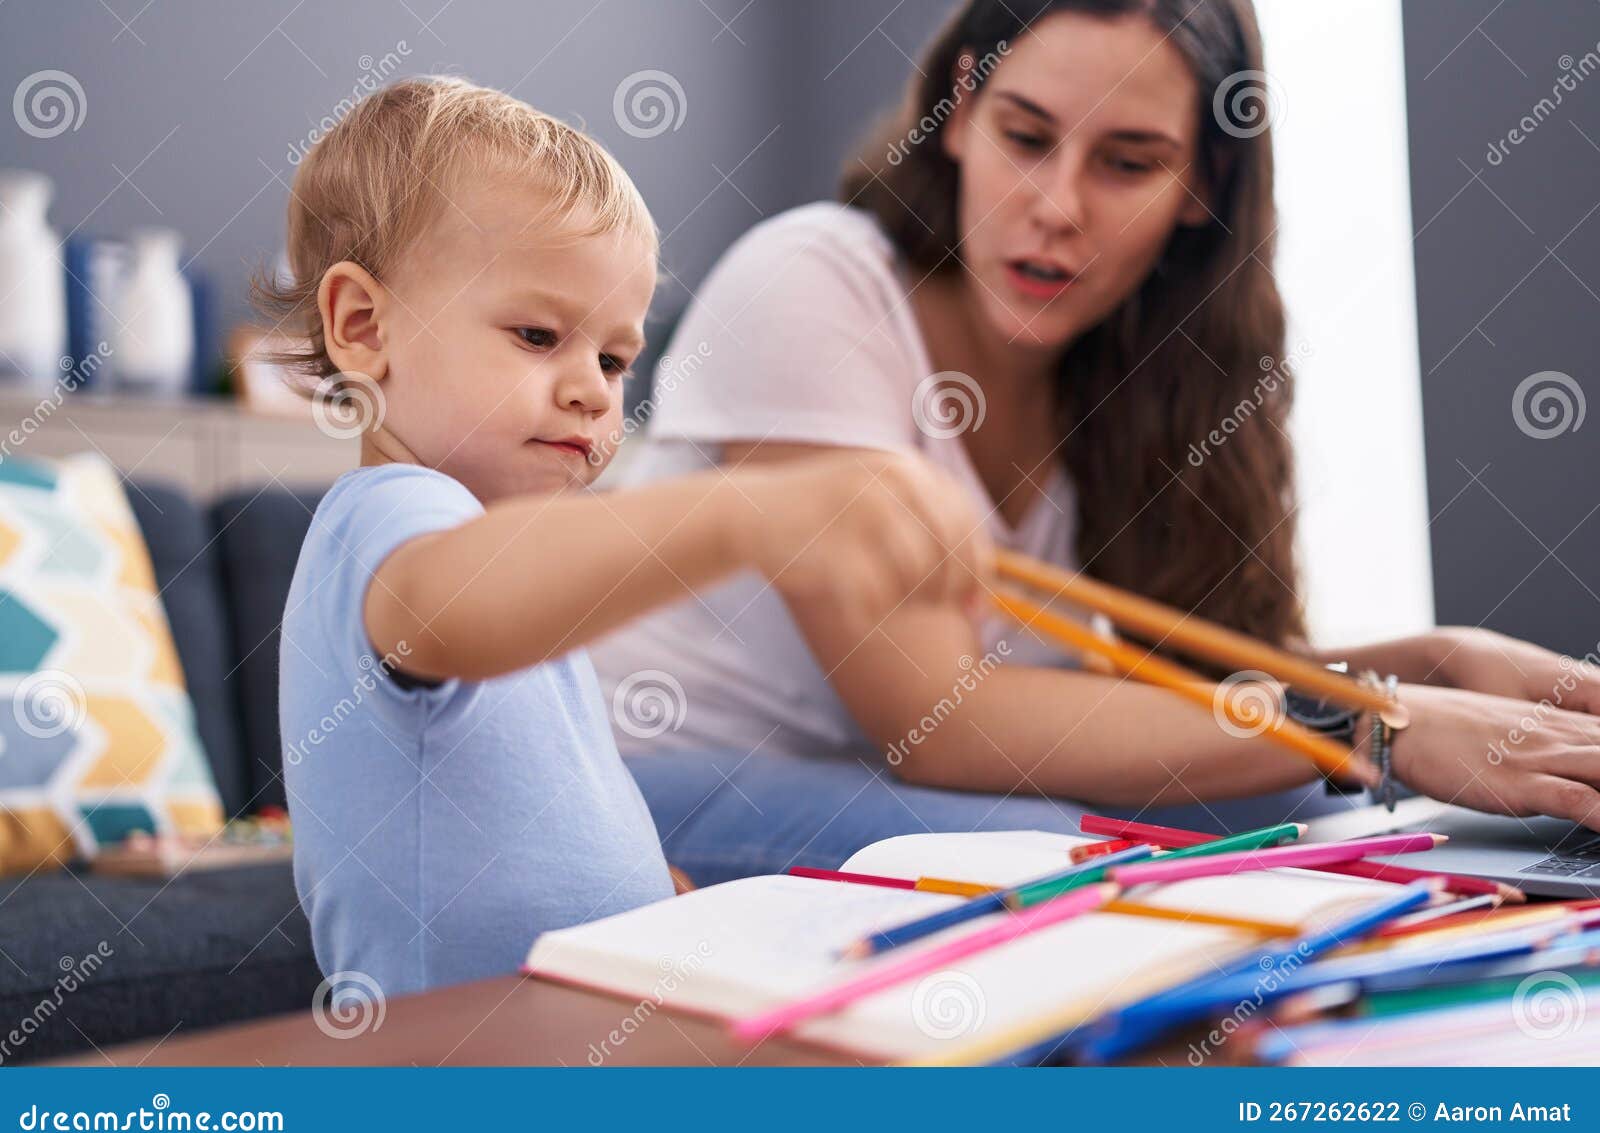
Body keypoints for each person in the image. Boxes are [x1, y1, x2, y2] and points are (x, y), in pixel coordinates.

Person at [592, 0, 1600, 885]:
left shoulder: (1129, 370)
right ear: (960, 109)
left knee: (1319, 817)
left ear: (1203, 182)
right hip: (662, 772)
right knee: (1075, 862)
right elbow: (940, 724)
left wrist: (1434, 663)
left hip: (875, 772)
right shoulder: (811, 281)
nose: (1056, 206)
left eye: (1126, 162)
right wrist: (1378, 723)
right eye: (1025, 136)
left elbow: (1146, 694)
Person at [266, 77, 990, 996]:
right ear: (363, 327)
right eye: (537, 335)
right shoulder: (393, 516)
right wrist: (744, 511)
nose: (593, 391)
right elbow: (454, 604)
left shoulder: (521, 555)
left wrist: (656, 890)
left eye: (614, 357)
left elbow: (553, 804)